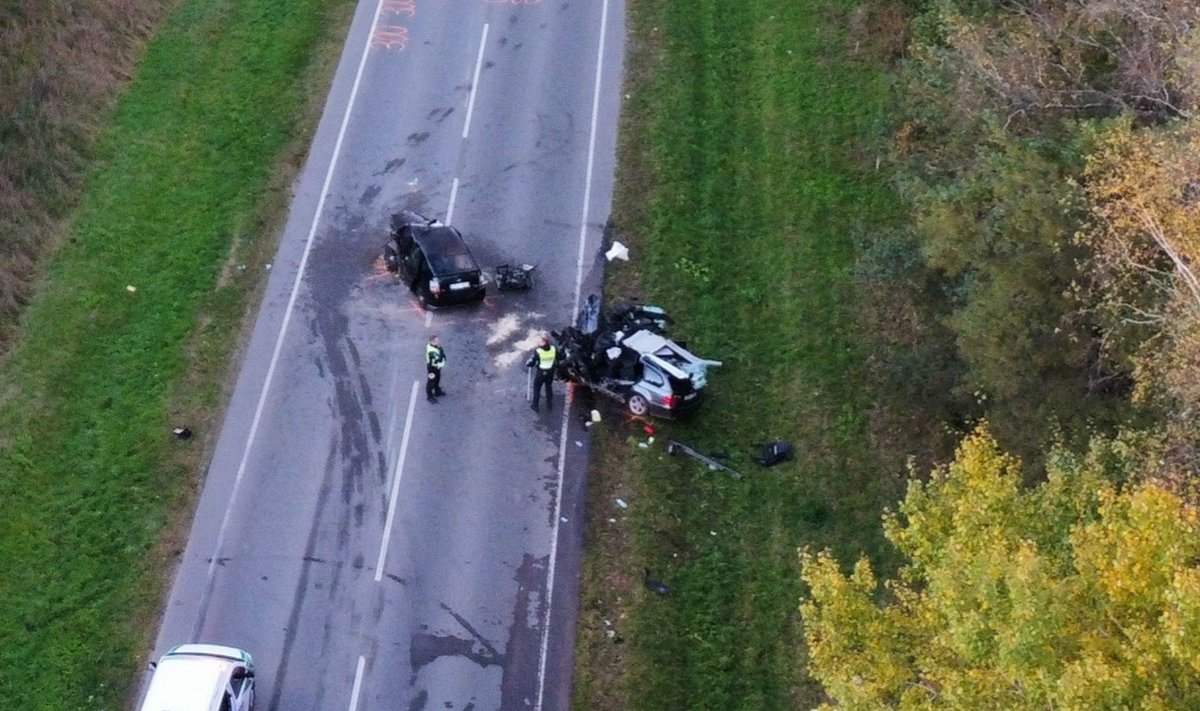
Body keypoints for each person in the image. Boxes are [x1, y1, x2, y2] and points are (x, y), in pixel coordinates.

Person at [526, 334, 557, 412]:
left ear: (543, 342)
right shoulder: (553, 349)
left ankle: (535, 405)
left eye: (539, 341)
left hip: (541, 373)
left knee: (537, 387)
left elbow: (532, 363)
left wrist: (528, 363)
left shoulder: (538, 351)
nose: (538, 343)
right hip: (550, 372)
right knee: (548, 387)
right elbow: (559, 357)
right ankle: (549, 404)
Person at [425, 335, 446, 402]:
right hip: (432, 367)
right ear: (432, 341)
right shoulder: (431, 351)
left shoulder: (435, 346)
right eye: (436, 340)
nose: (438, 341)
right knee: (431, 382)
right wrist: (441, 362)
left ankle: (437, 391)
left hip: (437, 367)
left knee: (437, 378)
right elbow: (438, 359)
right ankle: (429, 396)